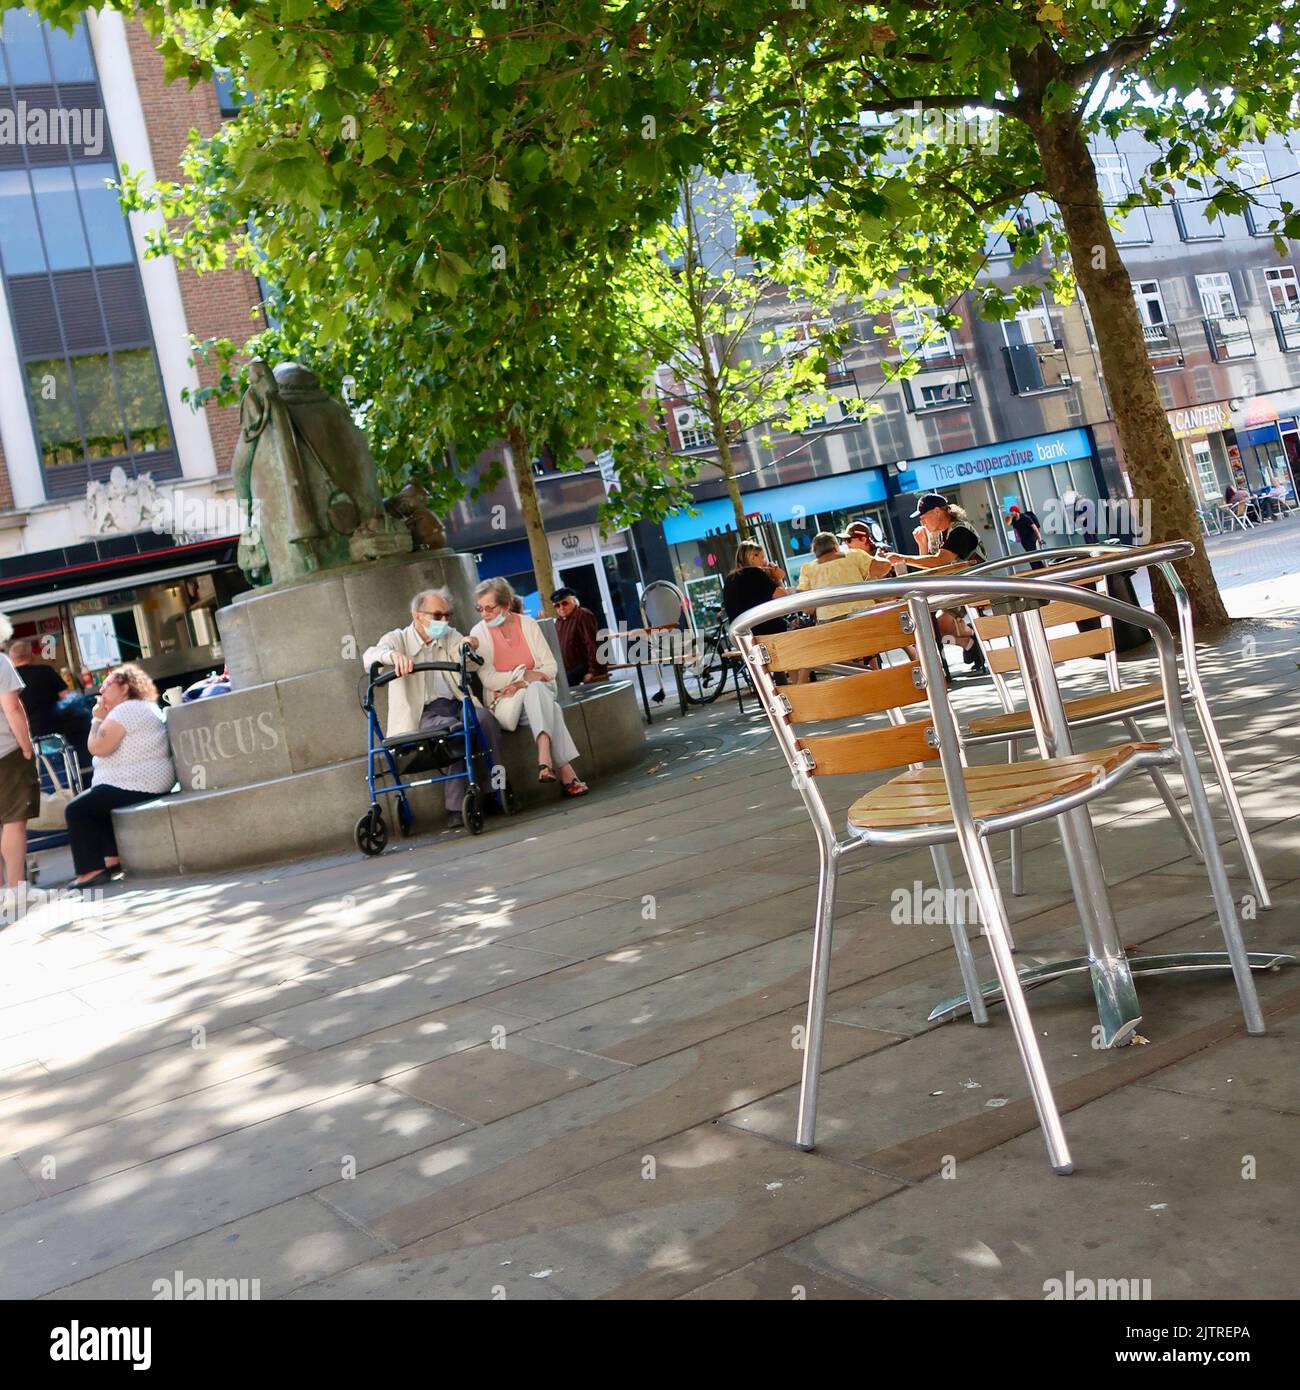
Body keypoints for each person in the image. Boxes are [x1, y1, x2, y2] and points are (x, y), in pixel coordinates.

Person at [364, 587, 507, 831]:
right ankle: (454, 807)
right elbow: (370, 656)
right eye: (438, 615)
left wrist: (468, 645)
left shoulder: (449, 635)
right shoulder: (398, 638)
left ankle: (497, 789)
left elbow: (468, 662)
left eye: (447, 616)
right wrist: (392, 656)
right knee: (451, 733)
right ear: (418, 616)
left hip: (457, 702)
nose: (444, 621)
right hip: (422, 713)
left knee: (484, 720)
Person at [471, 577, 588, 797]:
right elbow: (489, 679)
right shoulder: (478, 633)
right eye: (480, 608)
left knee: (536, 691)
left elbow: (550, 667)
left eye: (489, 608)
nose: (484, 613)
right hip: (507, 705)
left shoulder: (527, 624)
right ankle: (562, 768)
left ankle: (545, 760)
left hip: (535, 695)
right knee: (548, 704)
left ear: (505, 605)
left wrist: (521, 682)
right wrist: (525, 675)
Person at [64, 663, 176, 887]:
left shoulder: (126, 710)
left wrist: (96, 719)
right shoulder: (141, 706)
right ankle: (112, 858)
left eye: (106, 685)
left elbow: (97, 747)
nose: (101, 691)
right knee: (98, 802)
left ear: (125, 687)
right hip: (144, 781)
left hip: (139, 783)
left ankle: (91, 871)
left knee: (77, 810)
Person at [878, 494, 987, 676]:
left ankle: (975, 638)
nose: (921, 522)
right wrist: (922, 544)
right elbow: (931, 568)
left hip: (975, 586)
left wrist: (903, 558)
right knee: (928, 627)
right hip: (954, 590)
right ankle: (969, 643)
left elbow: (939, 561)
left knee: (938, 626)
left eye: (923, 517)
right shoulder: (939, 534)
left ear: (937, 512)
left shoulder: (960, 530)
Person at [0, 616, 38, 901]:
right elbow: (12, 708)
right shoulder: (1, 663)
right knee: (13, 820)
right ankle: (16, 891)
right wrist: (26, 746)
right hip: (5, 752)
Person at [796, 530, 892, 621]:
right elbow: (884, 567)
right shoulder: (853, 555)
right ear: (836, 546)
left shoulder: (808, 569)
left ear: (815, 551)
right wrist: (879, 557)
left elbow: (806, 608)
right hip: (862, 612)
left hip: (828, 620)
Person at [8, 639, 68, 738]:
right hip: (57, 728)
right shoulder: (46, 670)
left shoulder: (9, 680)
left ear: (11, 659)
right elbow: (66, 696)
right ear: (32, 654)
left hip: (30, 734)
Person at [551, 588, 608, 686]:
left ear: (574, 601)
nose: (561, 607)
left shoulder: (583, 615)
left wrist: (592, 671)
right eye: (557, 605)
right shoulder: (559, 622)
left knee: (563, 684)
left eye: (564, 603)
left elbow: (592, 644)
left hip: (583, 665)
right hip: (568, 669)